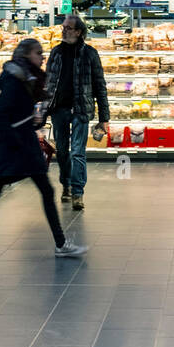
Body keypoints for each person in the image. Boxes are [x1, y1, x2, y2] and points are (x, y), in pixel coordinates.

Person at [0, 37, 86, 258]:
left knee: (44, 190)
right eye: (38, 53)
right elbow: (3, 114)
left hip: (22, 141)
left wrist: (32, 120)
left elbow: (19, 109)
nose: (42, 57)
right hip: (14, 145)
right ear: (26, 55)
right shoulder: (14, 79)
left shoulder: (26, 77)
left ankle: (61, 243)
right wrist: (14, 139)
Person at [45, 14, 110, 211]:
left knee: (78, 152)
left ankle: (78, 192)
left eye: (68, 28)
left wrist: (104, 118)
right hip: (58, 109)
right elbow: (48, 82)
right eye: (63, 27)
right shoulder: (55, 52)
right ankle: (66, 184)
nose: (63, 30)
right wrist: (42, 107)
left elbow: (100, 86)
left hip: (81, 109)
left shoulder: (90, 53)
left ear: (79, 31)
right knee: (63, 151)